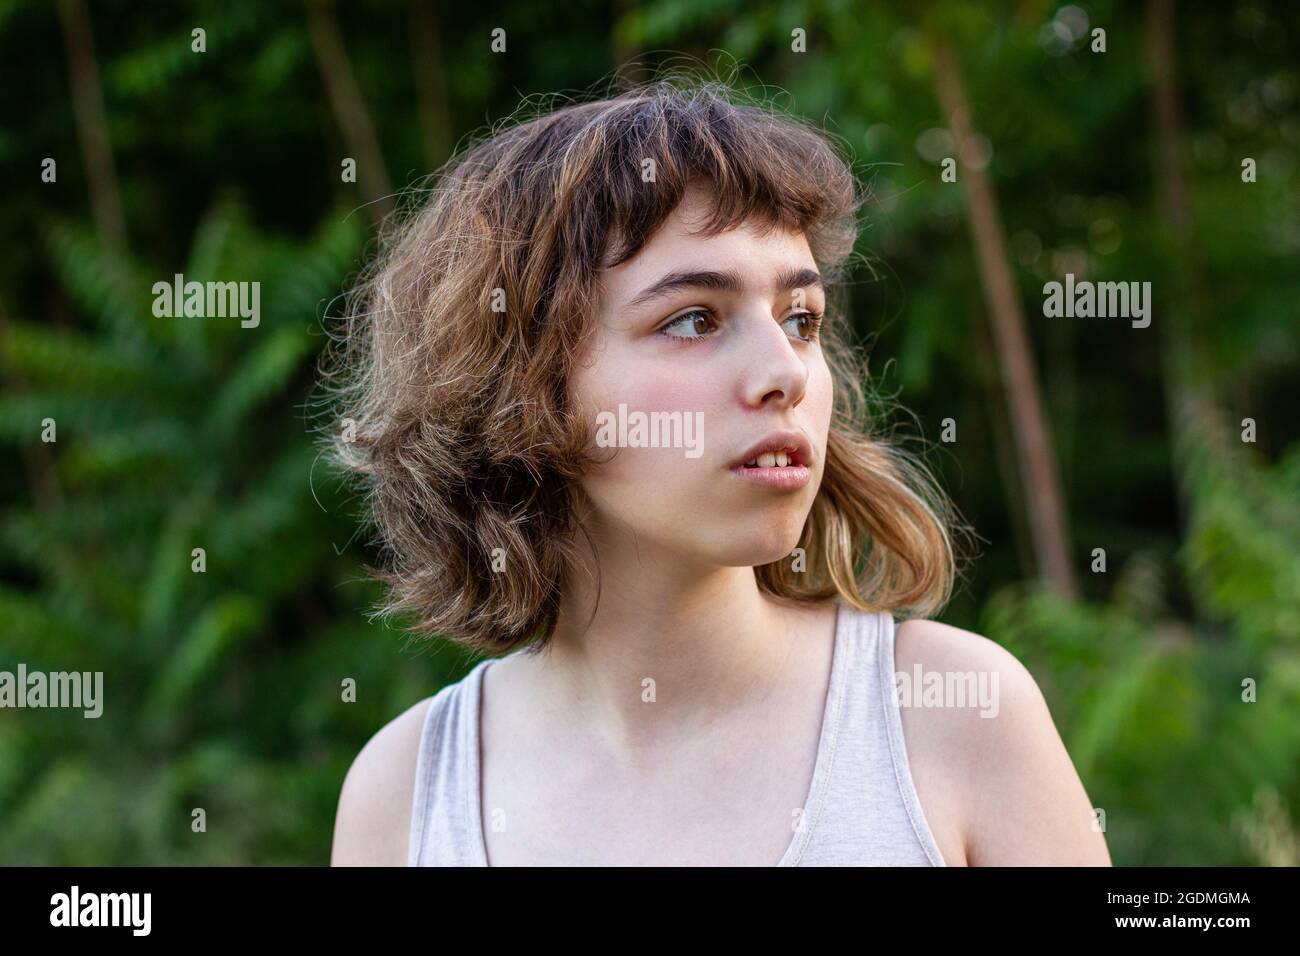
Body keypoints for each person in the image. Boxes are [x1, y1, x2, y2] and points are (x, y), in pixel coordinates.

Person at [323, 76, 1111, 867]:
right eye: (694, 319)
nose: (787, 373)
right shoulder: (404, 797)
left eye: (800, 319)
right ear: (517, 383)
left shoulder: (952, 716)